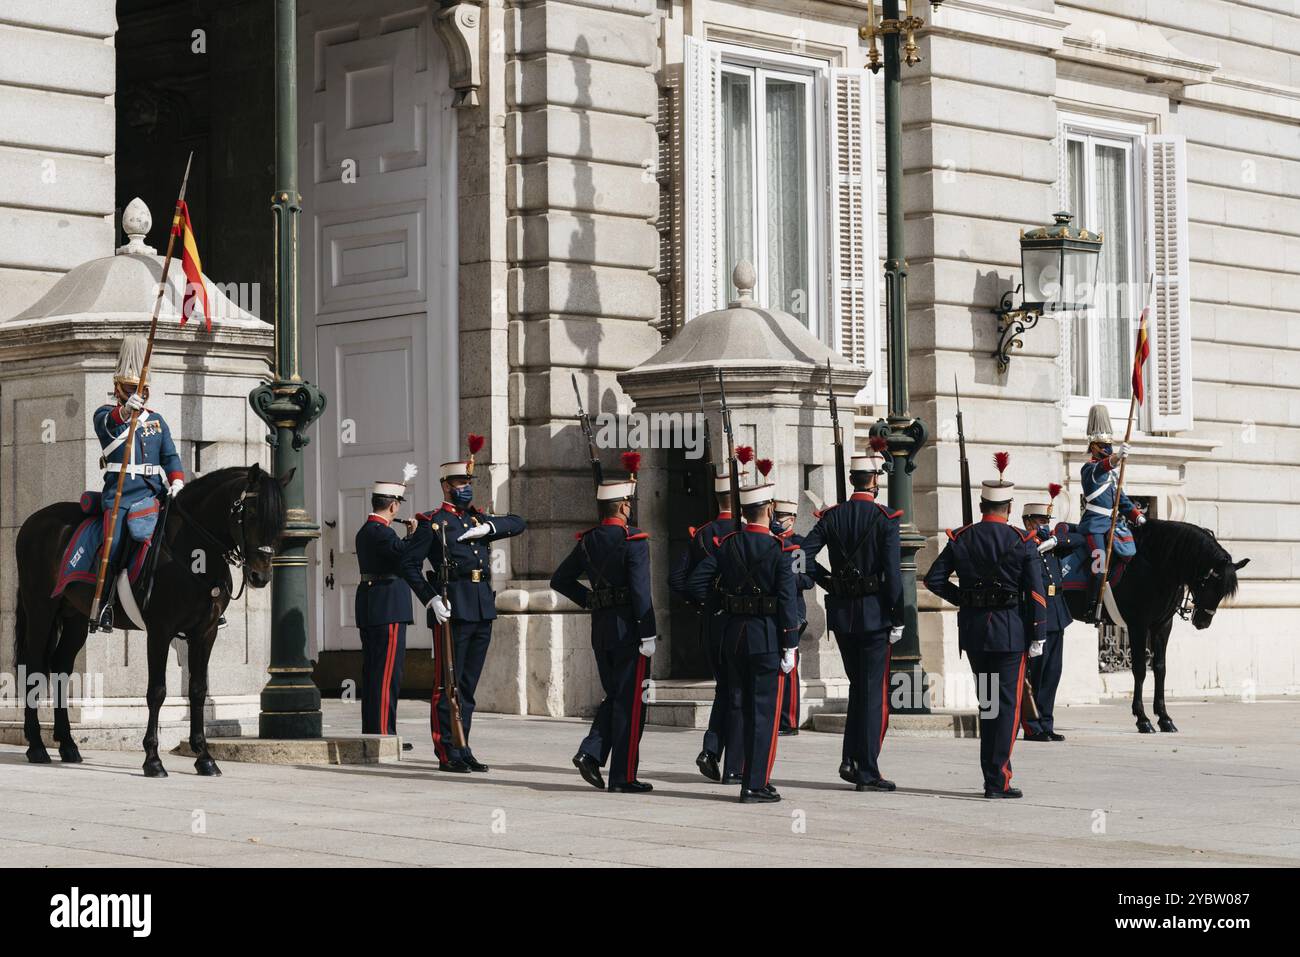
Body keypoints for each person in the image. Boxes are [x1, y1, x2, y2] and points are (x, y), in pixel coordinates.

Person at [399, 438, 526, 772]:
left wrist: (489, 527)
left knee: (468, 685)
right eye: (459, 482)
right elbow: (408, 566)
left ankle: (463, 745)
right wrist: (430, 599)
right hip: (451, 608)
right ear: (445, 485)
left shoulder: (476, 521)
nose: (465, 488)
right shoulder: (432, 523)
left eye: (468, 482)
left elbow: (518, 522)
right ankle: (447, 752)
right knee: (447, 685)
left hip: (481, 606)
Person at [923, 459, 1046, 798]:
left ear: (981, 506)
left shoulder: (962, 538)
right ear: (1009, 507)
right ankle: (998, 779)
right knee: (1007, 707)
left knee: (989, 704)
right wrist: (1038, 633)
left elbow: (934, 579)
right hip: (1010, 633)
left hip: (976, 632)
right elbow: (1036, 592)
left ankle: (991, 775)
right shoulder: (1022, 541)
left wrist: (964, 597)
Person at [686, 481, 800, 803]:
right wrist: (790, 642)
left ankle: (741, 772)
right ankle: (755, 783)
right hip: (765, 639)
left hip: (732, 637)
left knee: (740, 704)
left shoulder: (727, 545)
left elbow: (696, 582)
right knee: (764, 712)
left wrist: (720, 608)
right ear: (767, 510)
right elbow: (787, 599)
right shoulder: (780, 550)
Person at [800, 449, 904, 792]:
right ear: (874, 481)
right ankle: (867, 771)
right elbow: (893, 573)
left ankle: (850, 759)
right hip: (875, 617)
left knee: (860, 688)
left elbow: (801, 558)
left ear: (851, 480)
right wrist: (898, 617)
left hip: (843, 616)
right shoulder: (885, 519)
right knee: (872, 694)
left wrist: (830, 582)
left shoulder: (832, 517)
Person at [551, 469, 656, 793]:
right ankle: (622, 776)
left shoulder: (588, 542)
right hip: (630, 632)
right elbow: (640, 592)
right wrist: (648, 632)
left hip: (601, 629)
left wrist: (592, 600)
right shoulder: (633, 541)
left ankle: (592, 753)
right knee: (631, 703)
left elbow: (560, 580)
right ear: (623, 506)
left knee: (616, 696)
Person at [91, 334, 185, 631]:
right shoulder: (105, 414)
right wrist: (125, 411)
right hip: (121, 496)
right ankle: (104, 604)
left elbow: (169, 456)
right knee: (115, 543)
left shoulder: (156, 421)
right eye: (131, 389)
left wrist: (177, 481)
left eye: (141, 389)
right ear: (118, 387)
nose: (137, 393)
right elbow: (110, 424)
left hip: (154, 494)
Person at [668, 467, 744, 783]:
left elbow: (677, 580)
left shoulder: (701, 534)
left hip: (710, 626)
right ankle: (734, 766)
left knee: (725, 690)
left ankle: (711, 751)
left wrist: (705, 604)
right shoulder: (742, 534)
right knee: (739, 694)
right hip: (739, 625)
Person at [354, 471, 419, 737]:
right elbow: (405, 561)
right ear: (393, 505)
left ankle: (375, 730)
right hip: (388, 606)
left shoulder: (367, 531)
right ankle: (383, 734)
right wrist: (413, 537)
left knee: (374, 672)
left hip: (373, 605)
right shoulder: (383, 533)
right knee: (387, 675)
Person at [1020, 499, 1084, 742]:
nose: (1045, 525)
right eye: (1040, 521)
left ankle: (1046, 722)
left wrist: (1057, 538)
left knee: (1052, 672)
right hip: (1036, 615)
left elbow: (1081, 537)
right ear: (1027, 522)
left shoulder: (1053, 545)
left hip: (1057, 612)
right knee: (1035, 673)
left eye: (1047, 521)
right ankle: (1032, 725)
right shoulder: (1024, 544)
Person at [1080, 404, 1145, 621]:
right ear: (1093, 446)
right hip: (1095, 526)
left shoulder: (1113, 476)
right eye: (1103, 445)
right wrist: (1116, 459)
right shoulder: (1089, 469)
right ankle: (1091, 607)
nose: (1107, 448)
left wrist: (1138, 516)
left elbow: (1122, 499)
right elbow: (1101, 469)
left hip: (1114, 524)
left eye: (1109, 445)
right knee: (1099, 567)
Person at [771, 499, 813, 735]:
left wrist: (784, 576)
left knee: (790, 665)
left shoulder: (798, 545)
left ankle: (790, 720)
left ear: (792, 519)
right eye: (775, 516)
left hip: (794, 611)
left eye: (782, 517)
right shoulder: (771, 543)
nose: (777, 521)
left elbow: (806, 580)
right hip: (773, 609)